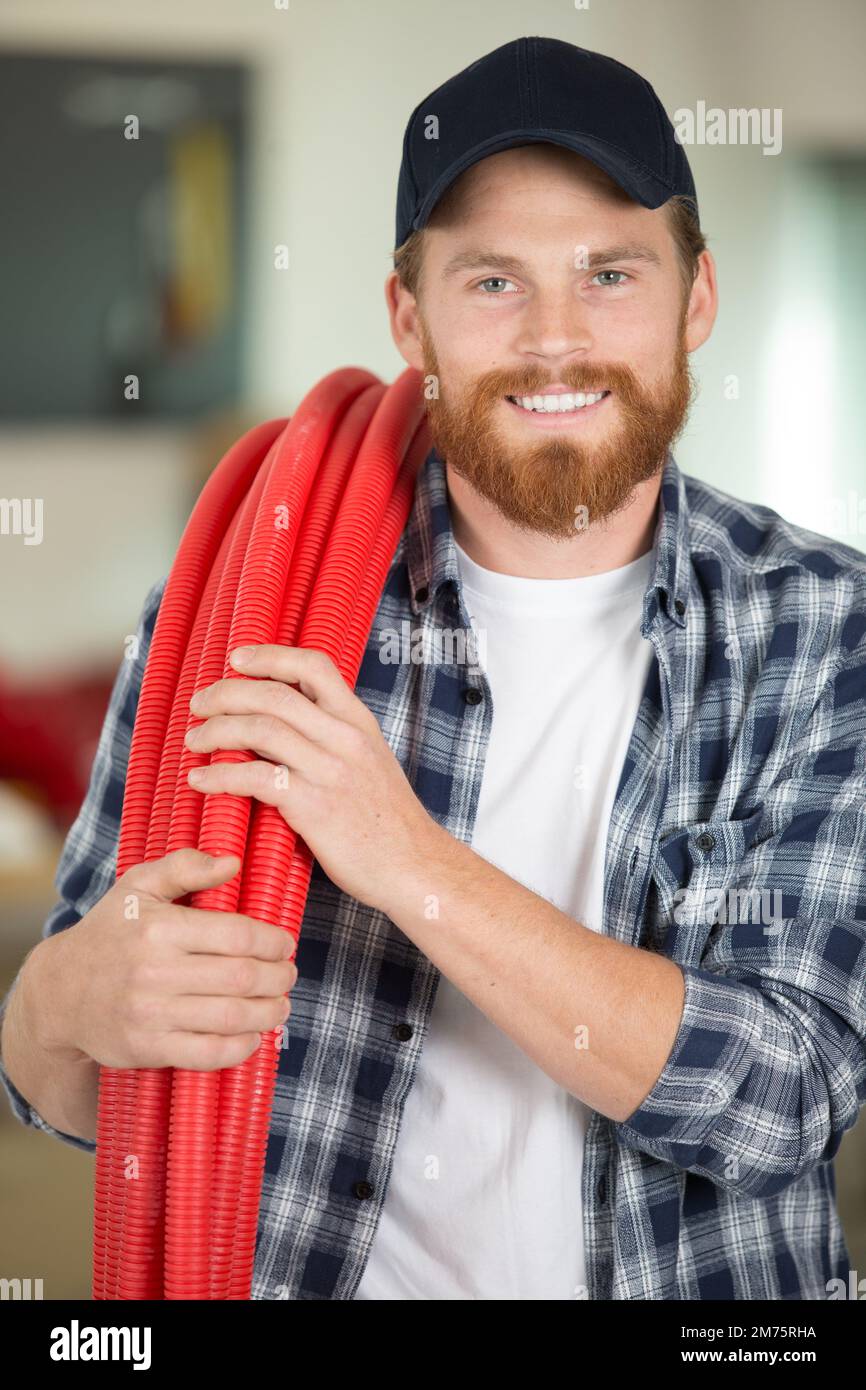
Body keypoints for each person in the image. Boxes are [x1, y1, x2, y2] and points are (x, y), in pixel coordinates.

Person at [2, 36, 865, 1301]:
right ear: (410, 317)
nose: (555, 341)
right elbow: (70, 1095)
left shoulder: (823, 629)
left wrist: (401, 857)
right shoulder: (234, 619)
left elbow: (776, 1098)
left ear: (695, 300)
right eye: (492, 282)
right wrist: (56, 1003)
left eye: (609, 273)